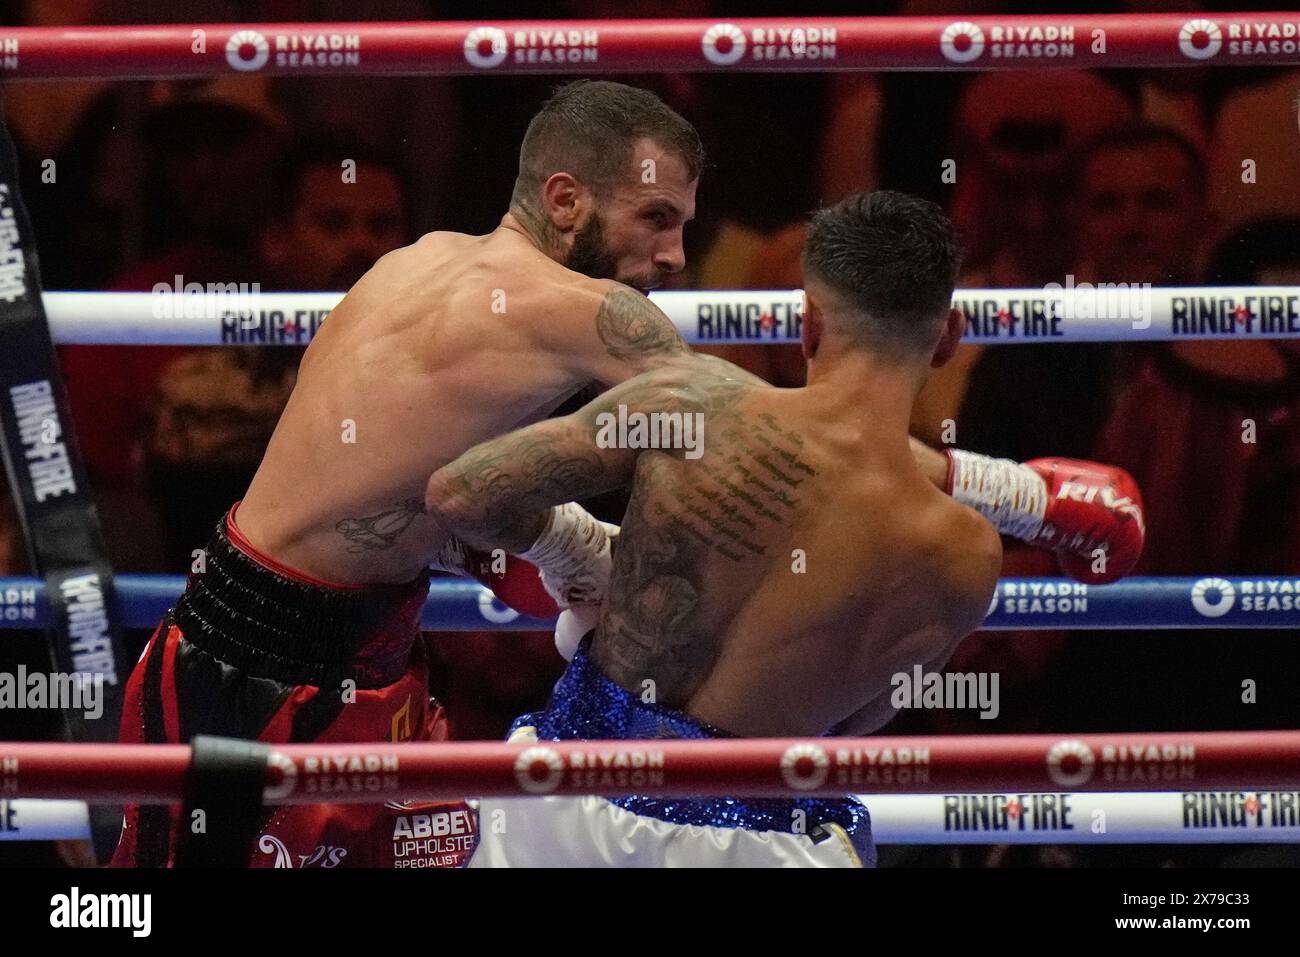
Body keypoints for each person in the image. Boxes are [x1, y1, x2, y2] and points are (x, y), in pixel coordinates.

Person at [111, 80, 1136, 869]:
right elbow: (796, 432)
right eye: (656, 219)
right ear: (567, 201)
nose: (678, 257)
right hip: (267, 670)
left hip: (314, 636)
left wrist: (555, 545)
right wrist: (1024, 497)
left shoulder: (415, 260)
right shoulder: (581, 312)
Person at [425, 190, 1147, 868]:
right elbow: (860, 719)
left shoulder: (691, 403)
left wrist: (573, 546)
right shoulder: (966, 553)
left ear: (806, 321)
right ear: (949, 337)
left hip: (568, 795)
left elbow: (461, 493)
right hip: (761, 845)